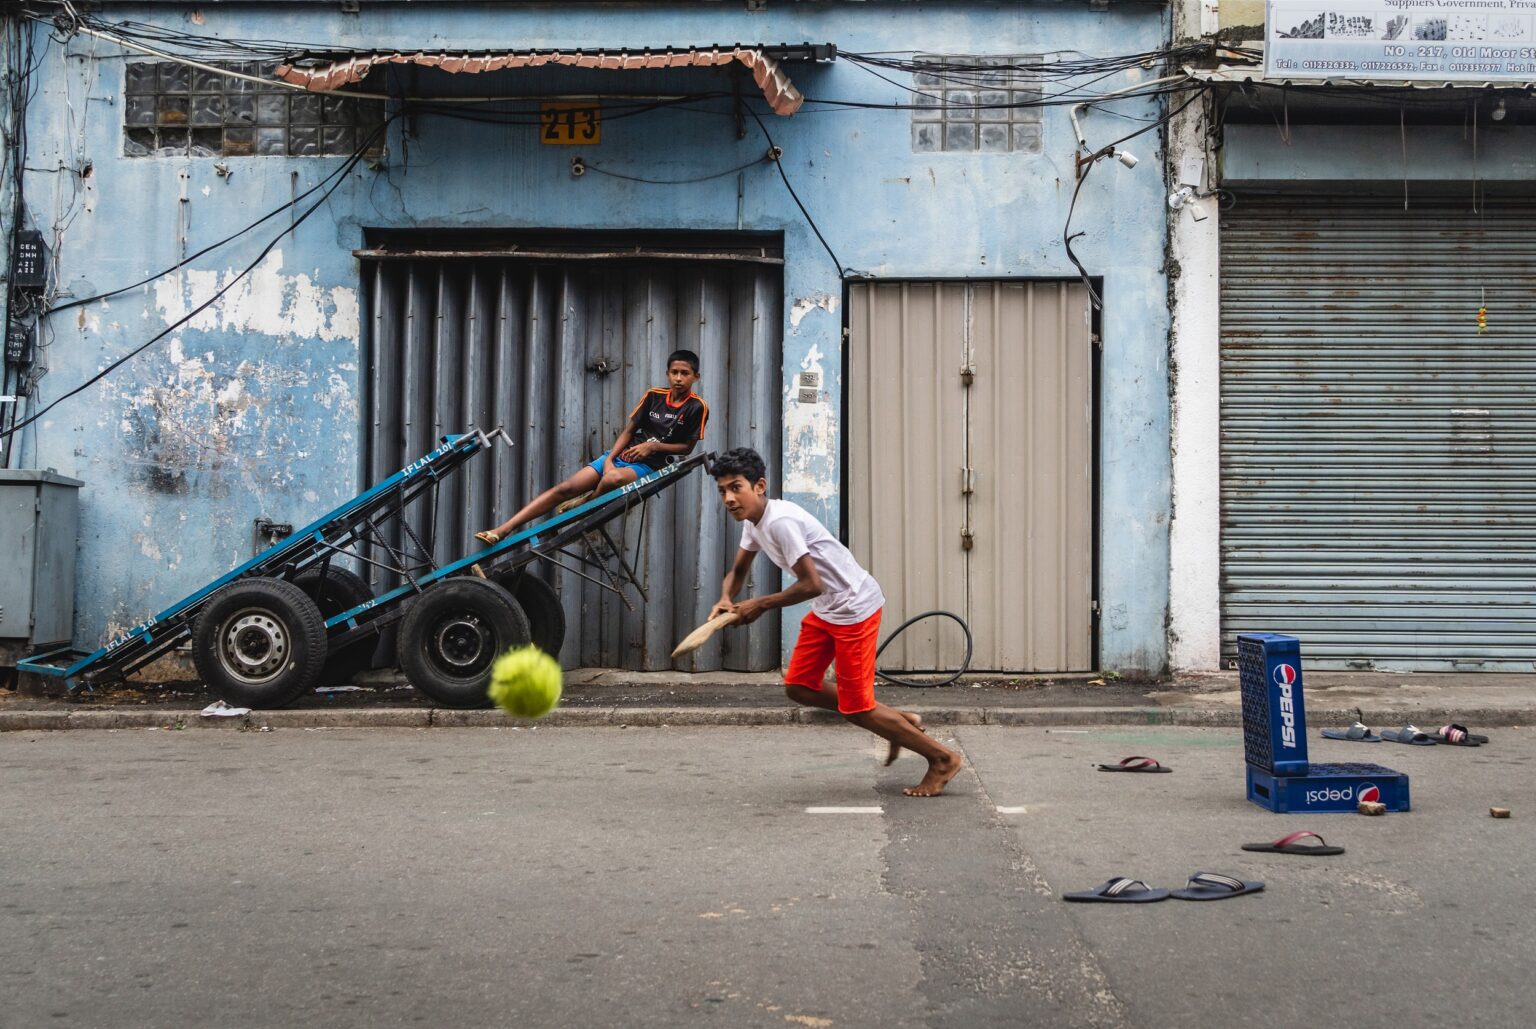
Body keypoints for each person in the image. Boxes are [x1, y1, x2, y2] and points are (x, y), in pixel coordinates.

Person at [709, 447, 963, 797]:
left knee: (857, 708)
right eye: (722, 491)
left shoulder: (780, 521)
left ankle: (942, 758)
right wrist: (726, 598)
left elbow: (812, 583)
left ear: (759, 486)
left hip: (855, 607)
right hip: (829, 608)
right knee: (799, 686)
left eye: (736, 487)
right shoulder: (755, 523)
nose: (728, 498)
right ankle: (898, 721)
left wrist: (760, 605)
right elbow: (738, 571)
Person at [476, 349, 708, 544]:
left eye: (685, 373)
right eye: (674, 372)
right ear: (667, 374)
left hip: (649, 466)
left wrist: (653, 448)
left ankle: (585, 505)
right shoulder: (653, 396)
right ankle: (502, 530)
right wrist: (608, 460)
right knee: (565, 489)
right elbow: (628, 432)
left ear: (695, 377)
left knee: (612, 480)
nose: (679, 378)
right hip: (621, 457)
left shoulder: (697, 407)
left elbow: (687, 448)